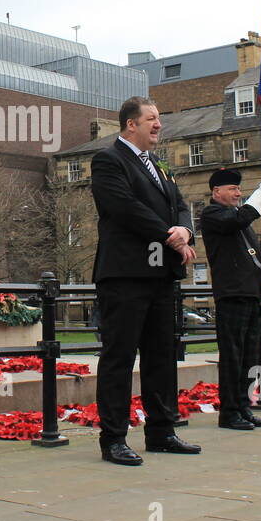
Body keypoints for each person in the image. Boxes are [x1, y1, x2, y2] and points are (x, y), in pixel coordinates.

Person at [90, 96, 200, 464]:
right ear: (130, 124)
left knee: (161, 356)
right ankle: (114, 438)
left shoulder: (160, 167)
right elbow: (123, 207)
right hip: (124, 275)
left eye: (159, 118)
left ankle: (162, 431)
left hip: (161, 275)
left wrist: (184, 229)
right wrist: (170, 235)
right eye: (151, 118)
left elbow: (180, 204)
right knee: (119, 357)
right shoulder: (108, 160)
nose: (158, 124)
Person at [200, 167, 261, 431]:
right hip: (232, 292)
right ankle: (229, 411)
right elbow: (239, 220)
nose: (238, 193)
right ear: (216, 191)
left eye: (239, 189)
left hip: (250, 292)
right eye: (233, 189)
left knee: (249, 354)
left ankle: (243, 406)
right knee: (232, 355)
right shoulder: (212, 214)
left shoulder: (234, 215)